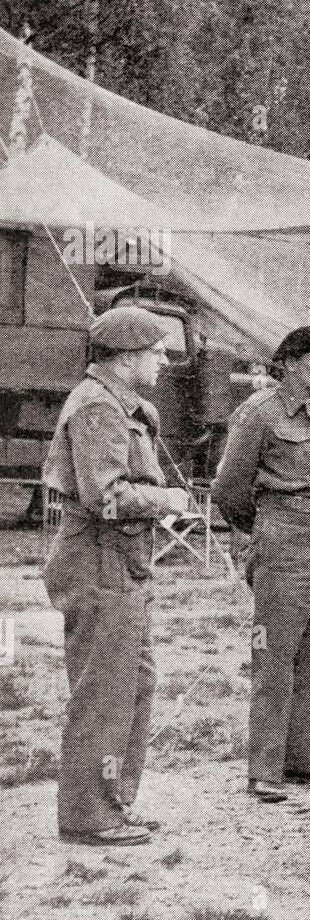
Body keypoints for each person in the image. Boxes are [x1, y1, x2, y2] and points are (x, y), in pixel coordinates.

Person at [42, 305, 193, 846]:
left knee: (134, 682)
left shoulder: (121, 405)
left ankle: (113, 804)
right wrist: (168, 500)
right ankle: (89, 815)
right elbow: (106, 497)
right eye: (157, 352)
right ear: (127, 357)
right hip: (99, 561)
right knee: (105, 690)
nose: (164, 361)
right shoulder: (98, 407)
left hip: (121, 563)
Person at [213, 326, 310, 803]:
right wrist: (264, 533)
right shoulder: (259, 412)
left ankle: (308, 761)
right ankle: (265, 770)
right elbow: (229, 488)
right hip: (282, 536)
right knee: (274, 655)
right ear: (291, 364)